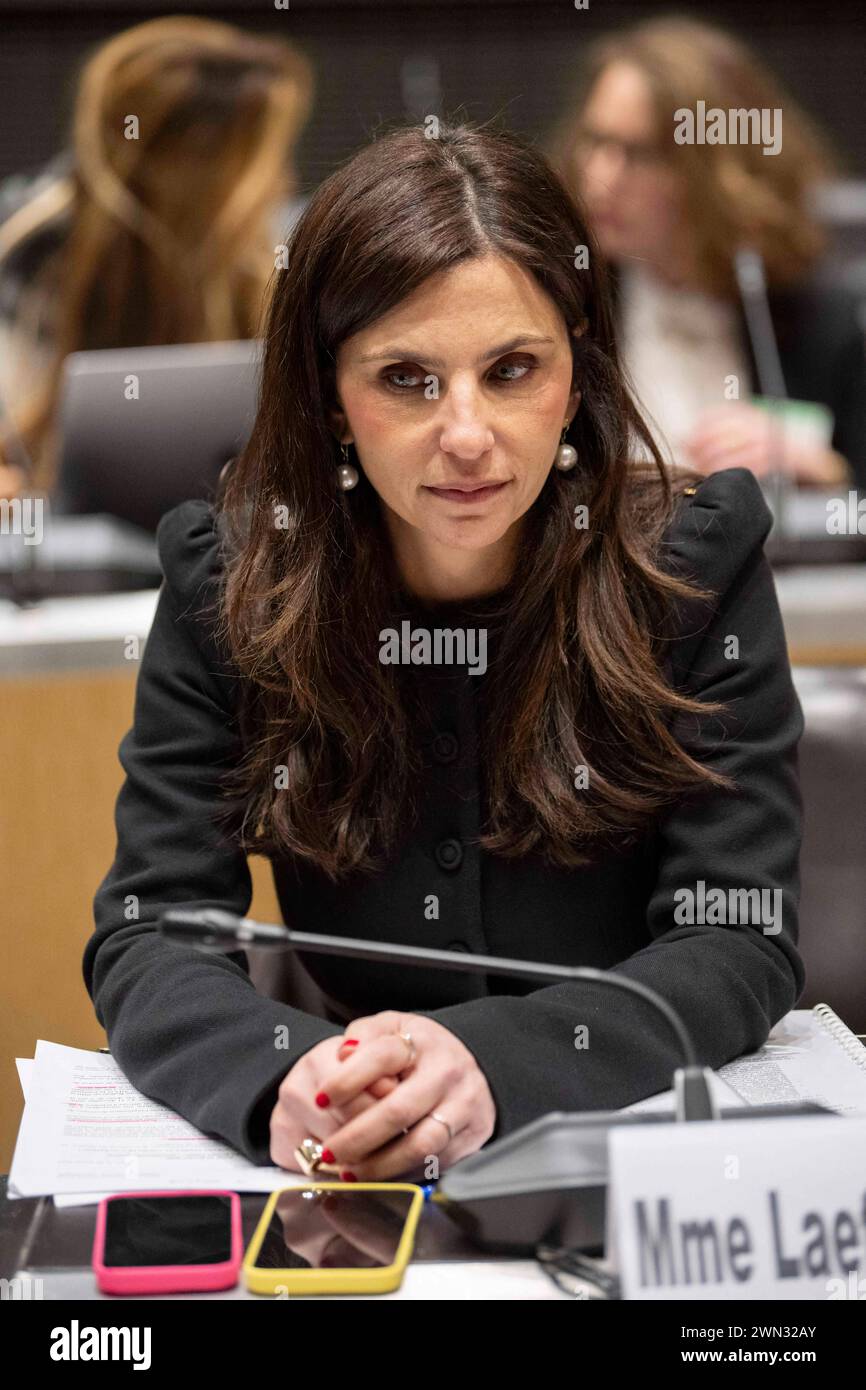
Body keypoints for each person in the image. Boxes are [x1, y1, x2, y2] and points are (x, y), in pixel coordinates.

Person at [84, 120, 805, 1183]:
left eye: (511, 369)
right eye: (406, 379)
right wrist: (283, 1077)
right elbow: (148, 931)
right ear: (332, 397)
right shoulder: (229, 582)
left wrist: (493, 1065)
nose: (465, 433)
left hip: (630, 1152)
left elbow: (738, 935)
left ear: (575, 372)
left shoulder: (693, 565)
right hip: (345, 1156)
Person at [547, 16, 866, 490]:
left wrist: (823, 468)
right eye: (595, 141)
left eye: (639, 153)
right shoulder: (565, 300)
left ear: (721, 173)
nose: (599, 176)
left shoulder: (823, 320)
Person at [0, 15, 313, 498]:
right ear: (190, 164)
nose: (283, 181)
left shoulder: (267, 264)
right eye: (266, 160)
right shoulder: (28, 257)